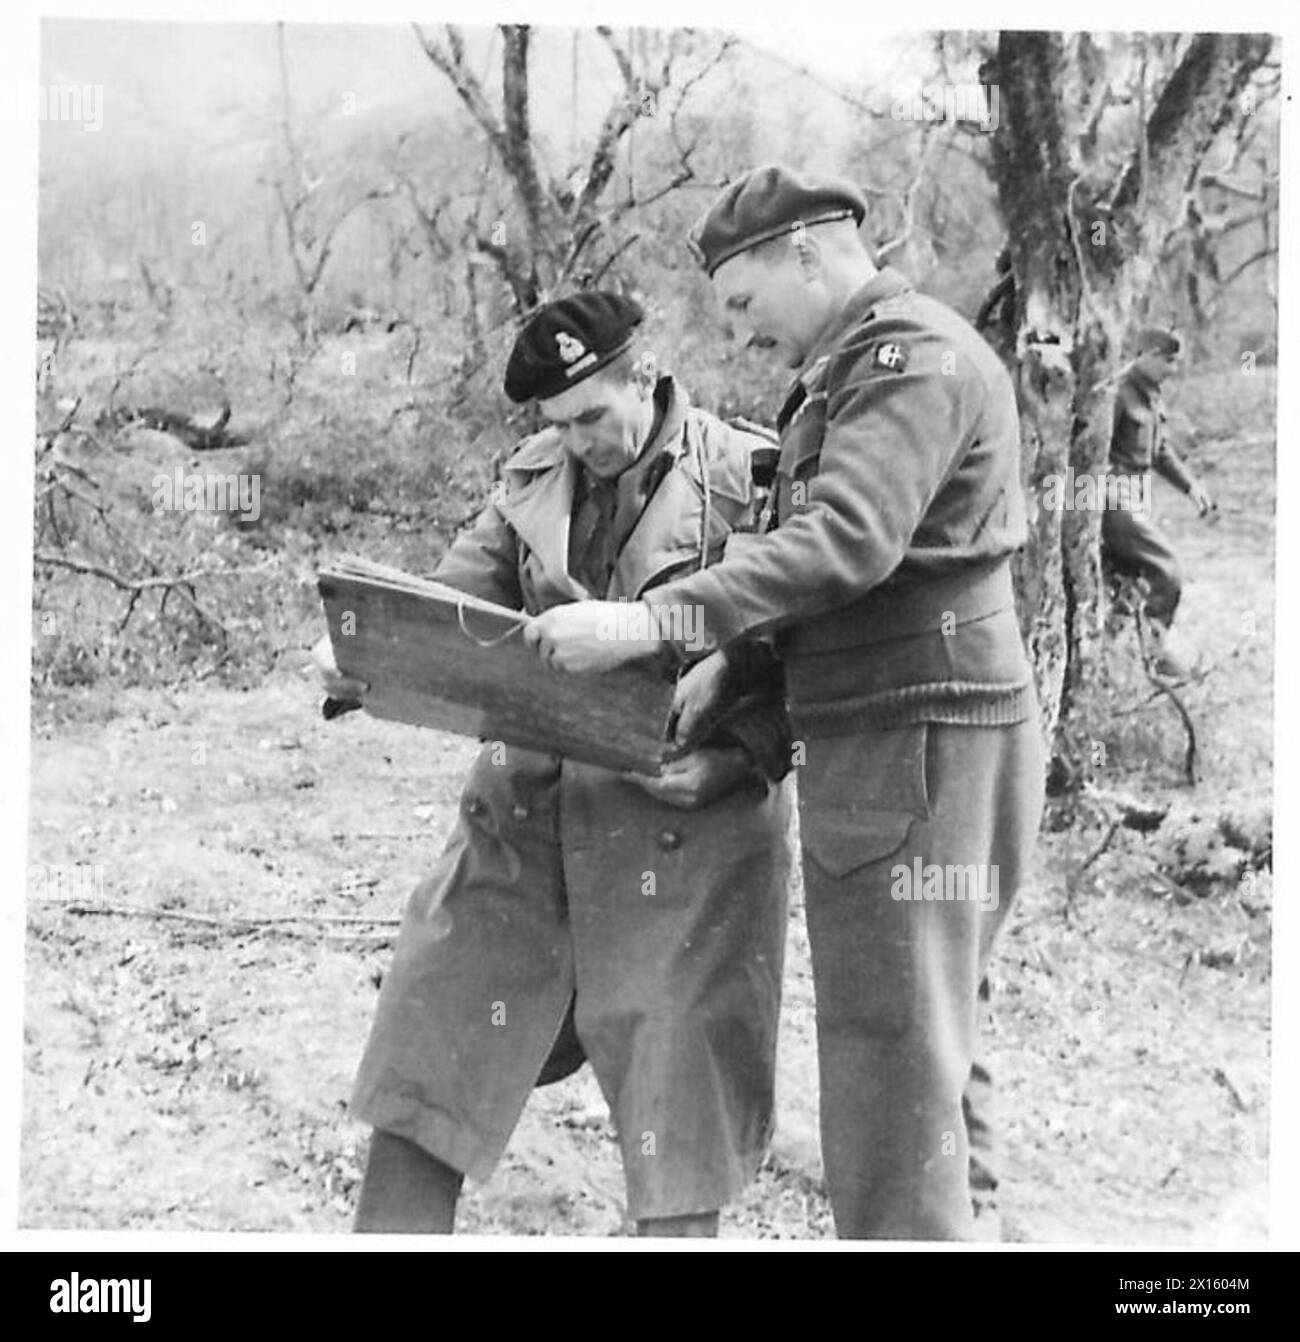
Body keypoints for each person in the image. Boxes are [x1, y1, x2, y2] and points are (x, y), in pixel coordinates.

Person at [528, 165, 1045, 1240]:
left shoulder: (907, 361)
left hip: (916, 741)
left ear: (804, 252)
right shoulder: (851, 371)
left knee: (889, 1051)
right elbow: (854, 577)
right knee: (930, 1041)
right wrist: (744, 672)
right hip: (904, 732)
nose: (742, 334)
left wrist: (651, 623)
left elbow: (845, 542)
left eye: (743, 302)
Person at [314, 291, 795, 1237]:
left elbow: (807, 649)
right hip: (525, 824)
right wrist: (363, 654)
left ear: (646, 380)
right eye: (556, 425)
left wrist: (742, 752)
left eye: (589, 417)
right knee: (426, 1059)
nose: (576, 443)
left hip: (683, 842)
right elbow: (454, 606)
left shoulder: (748, 478)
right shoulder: (531, 479)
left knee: (677, 1122)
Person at [1103, 326, 1215, 678]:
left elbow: (1160, 451)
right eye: (1167, 360)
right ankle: (1151, 655)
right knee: (1167, 572)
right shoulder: (1117, 393)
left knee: (1130, 584)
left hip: (1136, 495)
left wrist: (1190, 487)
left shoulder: (1150, 395)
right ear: (1147, 354)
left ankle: (1117, 660)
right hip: (1111, 497)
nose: (1173, 368)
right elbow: (1089, 453)